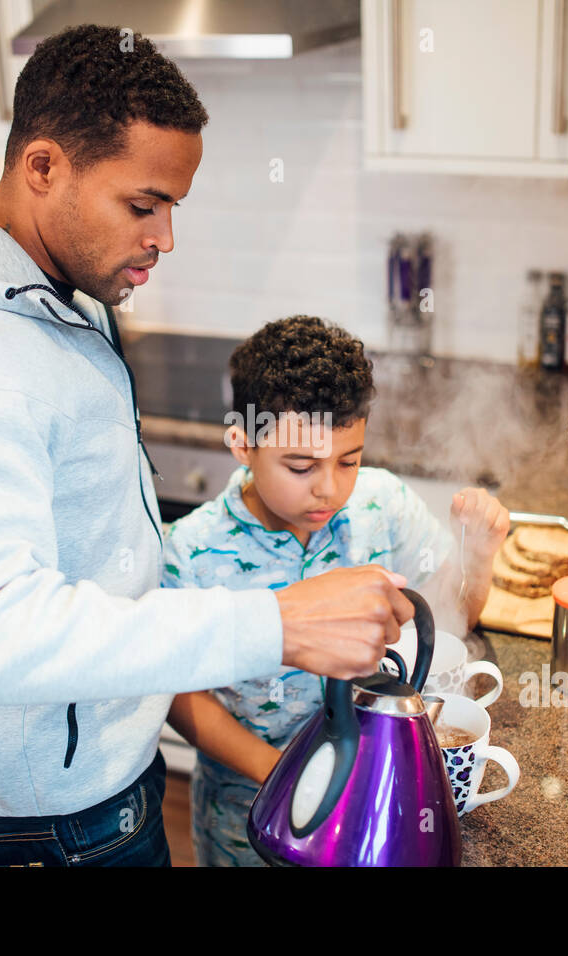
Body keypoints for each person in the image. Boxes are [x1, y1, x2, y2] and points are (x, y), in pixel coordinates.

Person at [0, 26, 413, 867]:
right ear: (43, 167)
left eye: (171, 209)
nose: (163, 239)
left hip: (97, 764)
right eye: (143, 205)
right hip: (58, 816)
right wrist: (273, 622)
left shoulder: (44, 296)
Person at [162, 316, 510, 866]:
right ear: (242, 444)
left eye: (349, 460)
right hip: (245, 817)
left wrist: (478, 556)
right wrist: (281, 773)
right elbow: (179, 697)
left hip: (368, 806)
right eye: (301, 466)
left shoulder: (380, 506)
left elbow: (447, 621)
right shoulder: (191, 551)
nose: (330, 488)